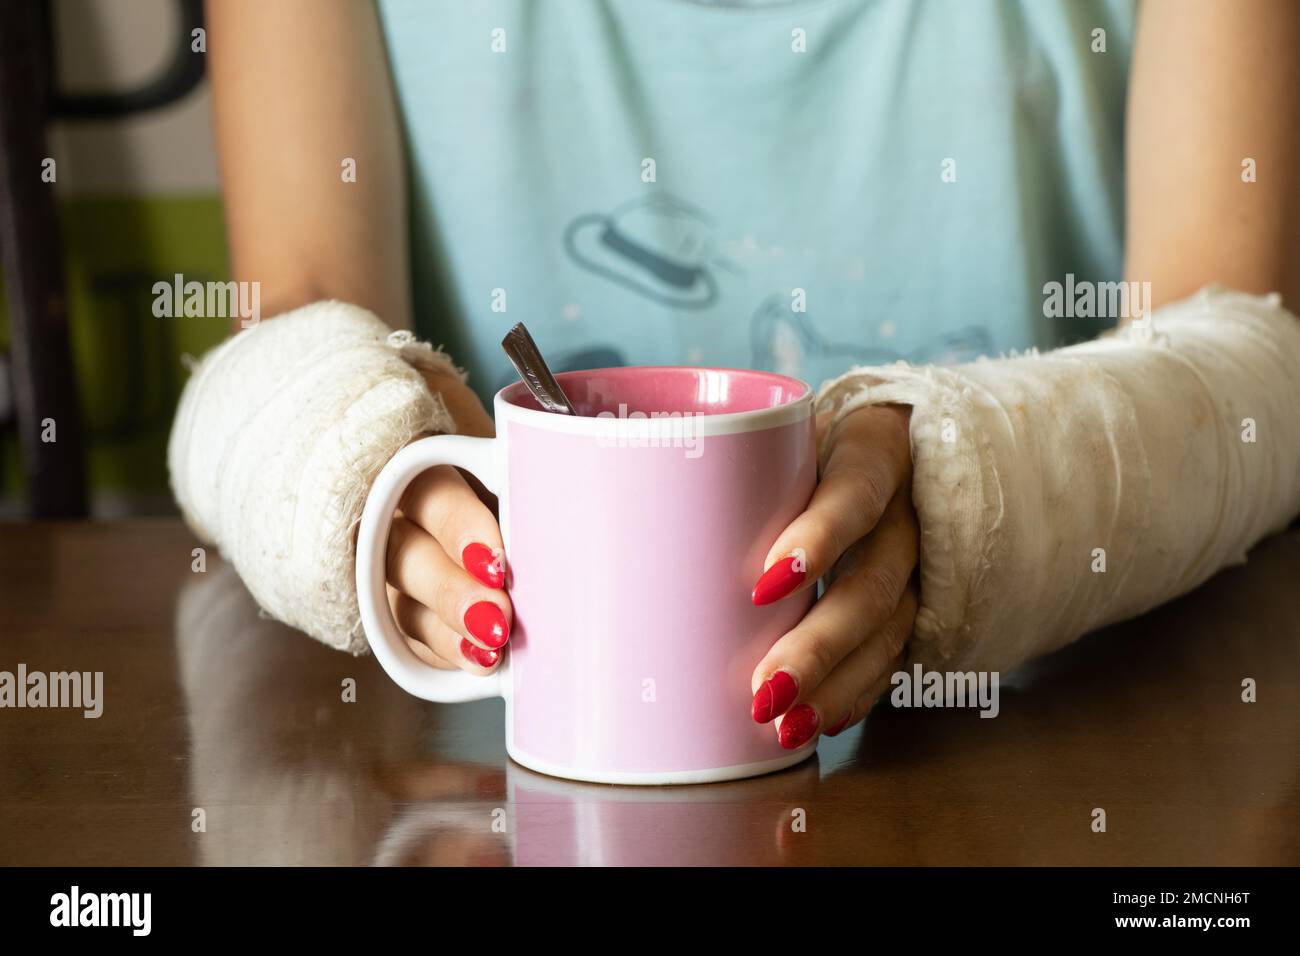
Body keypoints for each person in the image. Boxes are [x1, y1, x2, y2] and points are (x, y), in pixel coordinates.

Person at [170, 0, 1300, 752]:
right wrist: (352, 448)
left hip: (1063, 756)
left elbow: (1248, 371)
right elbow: (303, 316)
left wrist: (971, 486)